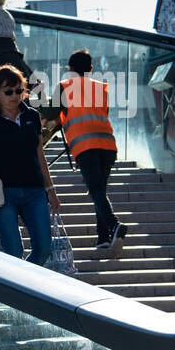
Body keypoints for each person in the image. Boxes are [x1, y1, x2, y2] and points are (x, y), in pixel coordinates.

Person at [0, 65, 60, 266]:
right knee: (13, 251)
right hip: (3, 193)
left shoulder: (32, 116)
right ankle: (18, 289)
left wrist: (51, 190)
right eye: (8, 91)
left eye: (19, 90)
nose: (14, 95)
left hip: (35, 191)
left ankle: (23, 281)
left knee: (44, 248)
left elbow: (40, 154)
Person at [57, 48, 126, 257]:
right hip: (107, 146)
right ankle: (103, 238)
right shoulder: (101, 88)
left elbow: (51, 117)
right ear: (91, 69)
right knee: (99, 191)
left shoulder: (64, 87)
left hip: (85, 147)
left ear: (69, 69)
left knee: (96, 191)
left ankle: (114, 225)